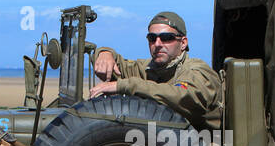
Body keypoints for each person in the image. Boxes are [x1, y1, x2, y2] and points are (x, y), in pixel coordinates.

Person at [90, 11, 221, 130]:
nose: (157, 44)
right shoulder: (149, 68)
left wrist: (124, 85)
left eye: (166, 37)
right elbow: (119, 65)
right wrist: (105, 53)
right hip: (167, 141)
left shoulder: (198, 70)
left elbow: (183, 95)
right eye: (152, 38)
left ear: (183, 43)